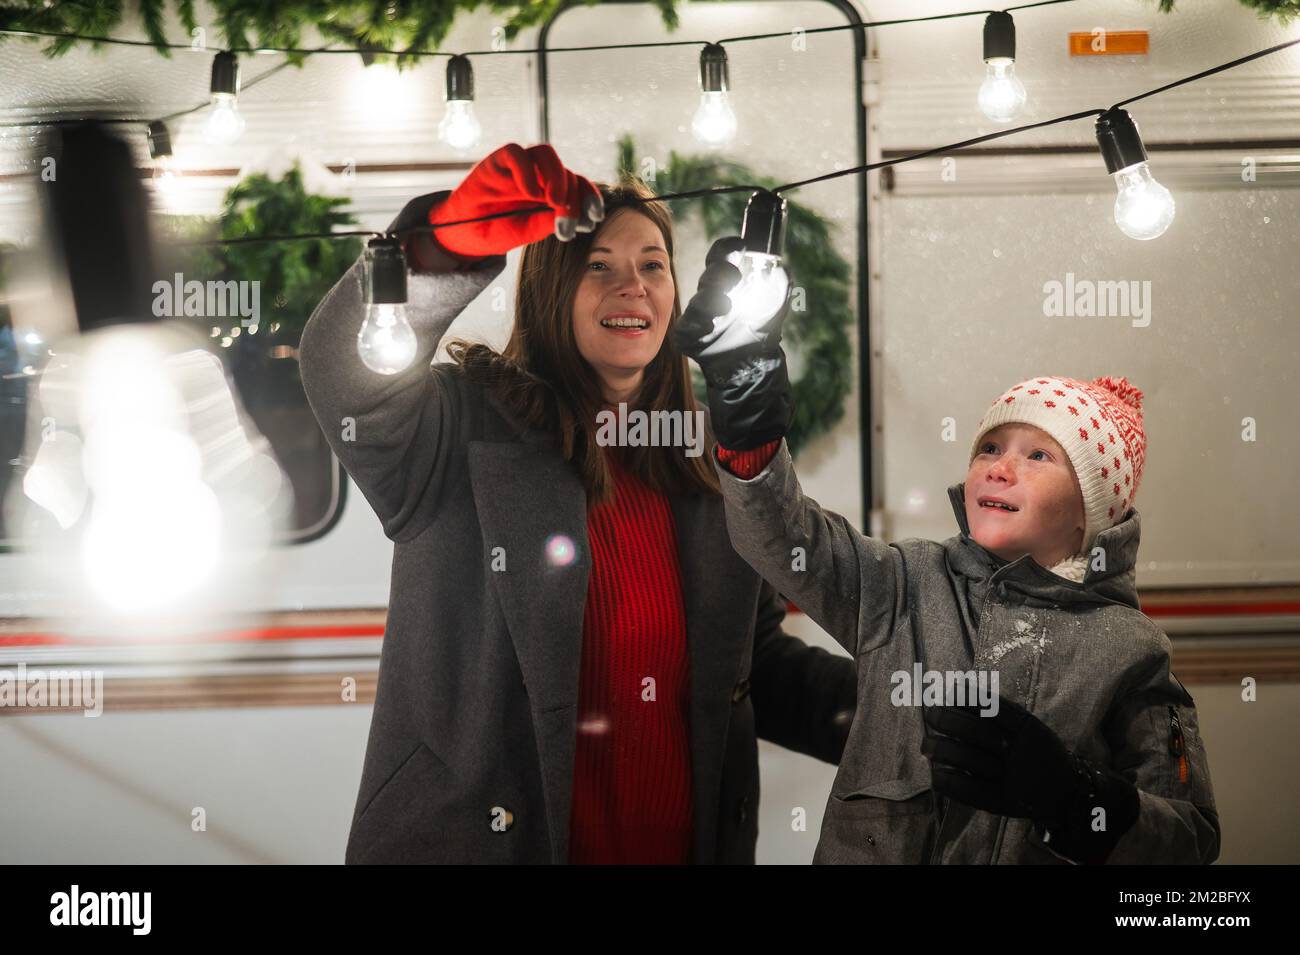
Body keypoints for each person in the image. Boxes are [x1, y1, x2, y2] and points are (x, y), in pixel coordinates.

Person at [298, 143, 856, 864]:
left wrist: (907, 706)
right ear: (552, 288)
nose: (634, 287)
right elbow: (345, 376)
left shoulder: (713, 463)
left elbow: (749, 667)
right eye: (600, 266)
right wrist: (441, 248)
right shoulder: (458, 431)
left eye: (653, 265)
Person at [675, 237, 1220, 864]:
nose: (999, 468)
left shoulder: (1130, 650)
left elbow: (1191, 837)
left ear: (1091, 512)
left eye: (1038, 455)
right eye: (989, 448)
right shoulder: (905, 583)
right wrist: (748, 431)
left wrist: (1077, 800)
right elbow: (785, 537)